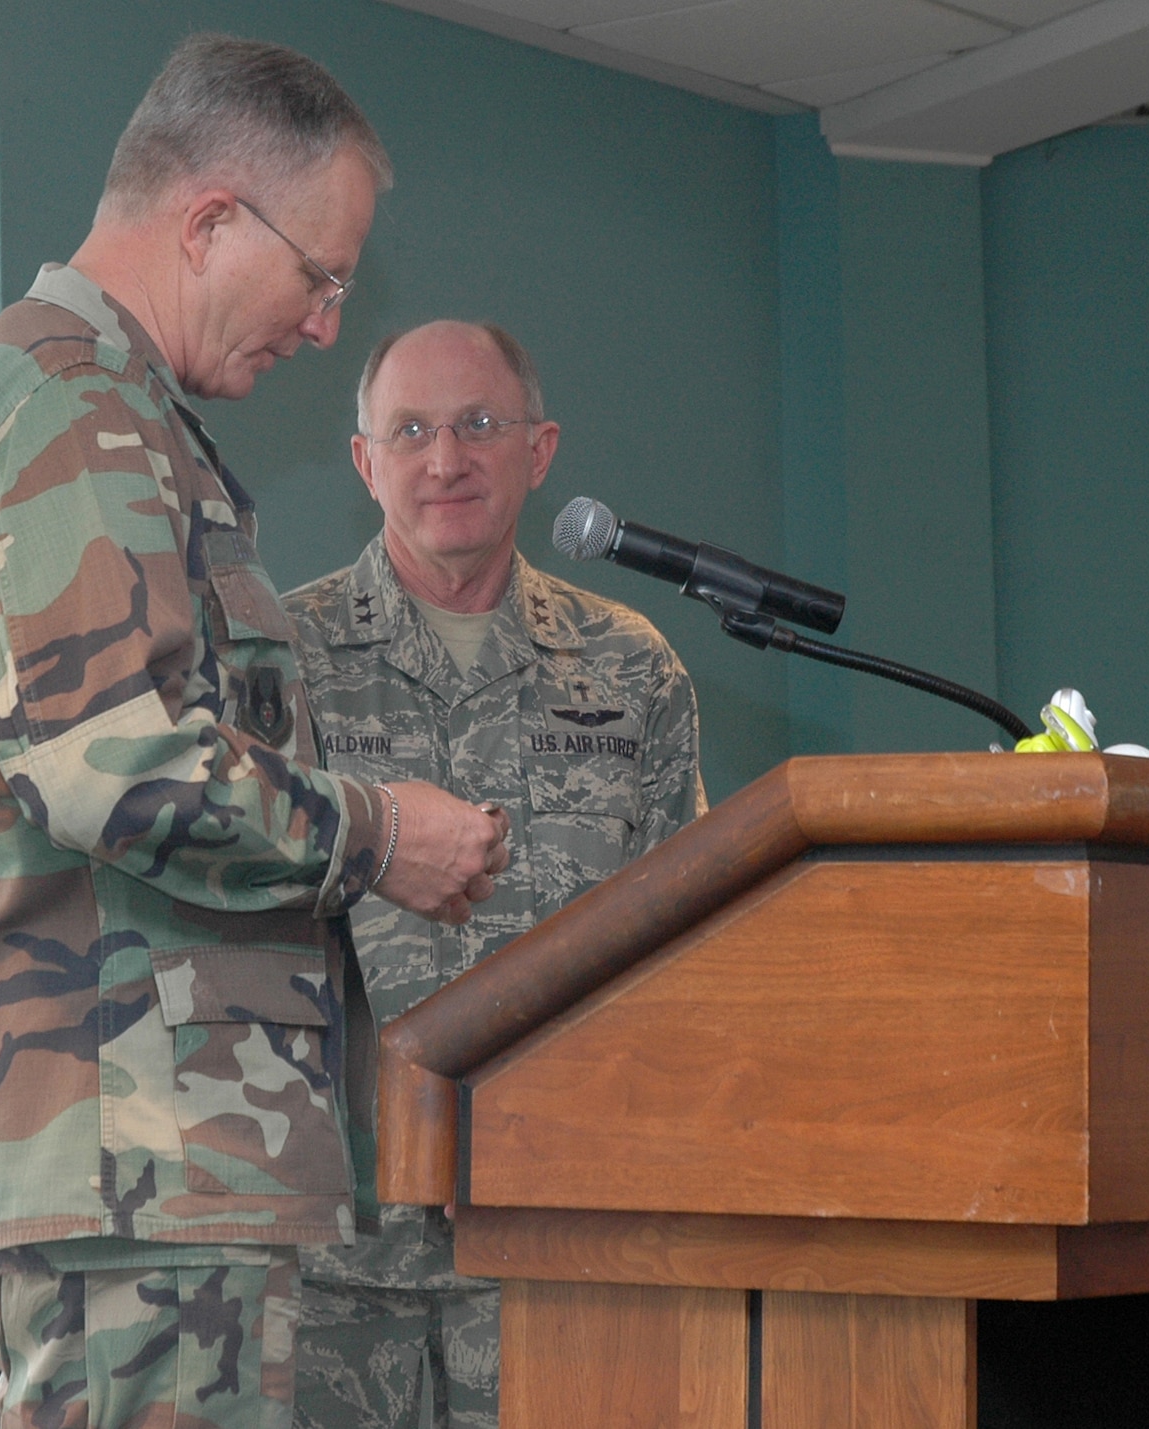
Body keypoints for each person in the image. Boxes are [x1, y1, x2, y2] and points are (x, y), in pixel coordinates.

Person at [0, 38, 511, 1429]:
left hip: (155, 1140)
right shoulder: (78, 404)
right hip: (133, 1145)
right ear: (214, 219)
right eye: (321, 275)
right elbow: (120, 768)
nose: (325, 324)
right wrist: (379, 831)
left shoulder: (108, 407)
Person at [281, 321, 708, 1429]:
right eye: (410, 430)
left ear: (540, 448)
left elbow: (687, 944)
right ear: (364, 462)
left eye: (478, 424)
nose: (445, 459)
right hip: (336, 1253)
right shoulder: (278, 656)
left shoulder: (630, 666)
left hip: (560, 1239)